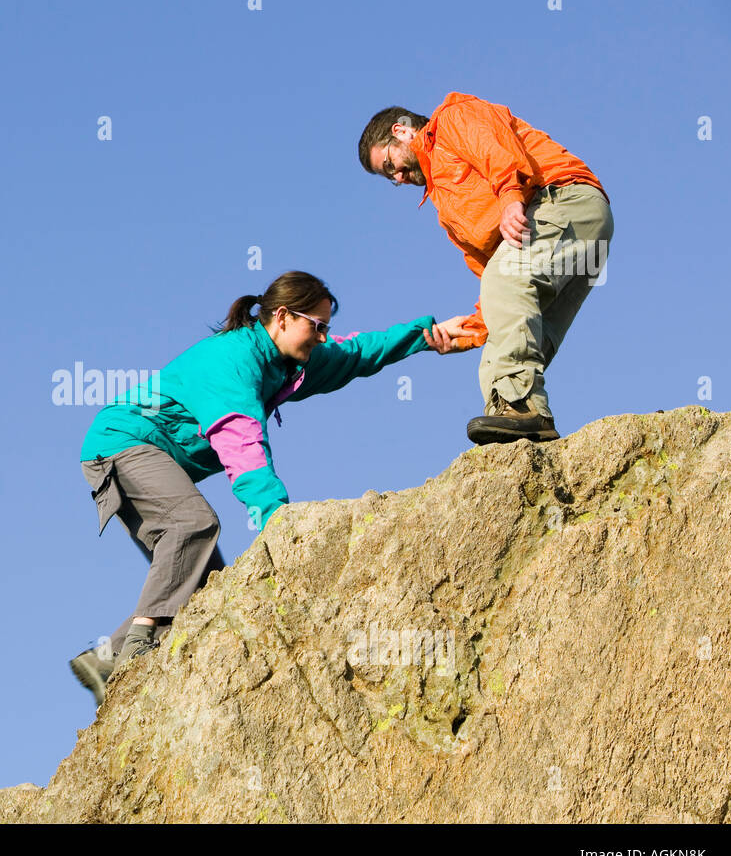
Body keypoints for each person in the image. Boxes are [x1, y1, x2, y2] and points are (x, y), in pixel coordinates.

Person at [69, 270, 472, 706]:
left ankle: (104, 659)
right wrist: (279, 524)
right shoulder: (233, 362)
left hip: (149, 455)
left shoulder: (286, 365)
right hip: (124, 443)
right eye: (315, 327)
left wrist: (427, 335)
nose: (322, 337)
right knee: (192, 525)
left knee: (203, 586)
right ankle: (138, 646)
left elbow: (355, 353)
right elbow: (243, 449)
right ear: (281, 317)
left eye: (326, 327)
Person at [357, 93, 614, 444]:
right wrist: (470, 332)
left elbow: (495, 147)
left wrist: (510, 197)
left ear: (400, 132)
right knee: (511, 339)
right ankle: (523, 434)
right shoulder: (446, 206)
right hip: (581, 244)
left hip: (563, 199)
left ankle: (521, 406)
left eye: (390, 165)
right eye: (389, 178)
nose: (398, 178)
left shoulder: (450, 119)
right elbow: (496, 282)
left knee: (507, 283)